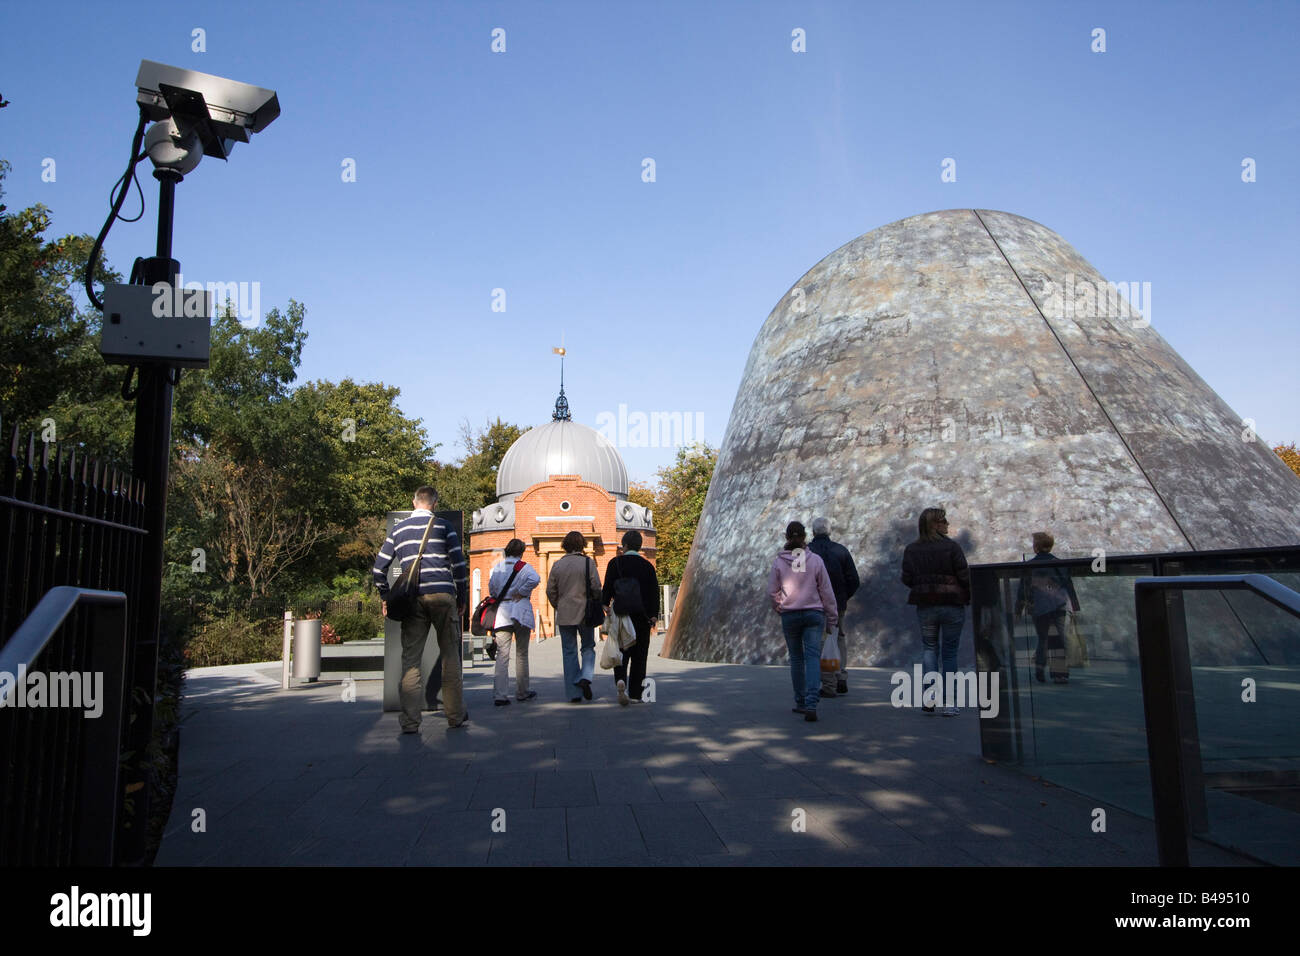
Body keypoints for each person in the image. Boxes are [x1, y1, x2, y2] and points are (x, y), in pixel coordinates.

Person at [373, 485, 469, 731]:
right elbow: (459, 565)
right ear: (434, 504)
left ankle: (410, 722)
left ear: (414, 502)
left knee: (411, 660)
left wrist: (385, 596)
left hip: (412, 598)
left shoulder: (399, 529)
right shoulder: (444, 527)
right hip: (442, 595)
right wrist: (462, 597)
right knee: (450, 657)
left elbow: (378, 570)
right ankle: (455, 716)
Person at [900, 507, 969, 717]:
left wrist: (921, 585)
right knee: (949, 653)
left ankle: (930, 698)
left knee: (930, 649)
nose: (948, 524)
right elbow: (964, 575)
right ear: (936, 524)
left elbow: (906, 577)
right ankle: (950, 702)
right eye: (944, 521)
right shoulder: (952, 548)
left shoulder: (912, 550)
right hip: (951, 604)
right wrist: (966, 594)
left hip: (926, 605)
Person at [768, 521, 838, 722]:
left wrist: (779, 606)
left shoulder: (779, 562)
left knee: (797, 659)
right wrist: (831, 618)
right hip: (814, 614)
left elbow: (771, 591)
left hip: (790, 614)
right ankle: (811, 702)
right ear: (805, 537)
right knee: (812, 658)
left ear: (786, 537)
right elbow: (826, 591)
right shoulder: (815, 560)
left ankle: (800, 700)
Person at [601, 530, 660, 706]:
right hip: (641, 616)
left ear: (624, 545)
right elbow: (653, 593)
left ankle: (620, 681)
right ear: (640, 546)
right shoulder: (647, 566)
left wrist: (605, 605)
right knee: (640, 656)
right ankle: (635, 693)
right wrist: (653, 615)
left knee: (621, 652)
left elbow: (607, 589)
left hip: (621, 615)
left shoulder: (615, 563)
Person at [1015, 531, 1081, 684]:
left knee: (1043, 638)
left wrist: (1019, 609)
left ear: (1036, 547)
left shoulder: (1030, 566)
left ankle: (1039, 667)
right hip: (1059, 605)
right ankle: (1060, 674)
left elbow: (1023, 589)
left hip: (1039, 606)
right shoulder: (1059, 563)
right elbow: (1068, 585)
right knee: (1058, 638)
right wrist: (1074, 606)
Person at [546, 531, 602, 702]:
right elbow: (597, 587)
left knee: (568, 651)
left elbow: (550, 591)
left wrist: (558, 605)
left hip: (564, 614)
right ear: (582, 545)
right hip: (585, 612)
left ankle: (573, 693)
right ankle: (585, 676)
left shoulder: (557, 565)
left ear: (565, 545)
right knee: (587, 647)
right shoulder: (588, 563)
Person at [807, 516, 860, 697]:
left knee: (820, 641)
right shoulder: (841, 551)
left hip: (814, 605)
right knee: (838, 638)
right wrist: (843, 597)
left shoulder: (806, 552)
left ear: (813, 532)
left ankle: (828, 683)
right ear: (829, 532)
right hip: (838, 604)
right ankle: (840, 676)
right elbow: (854, 579)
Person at [488, 538, 541, 705]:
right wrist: (521, 591)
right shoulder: (524, 567)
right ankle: (522, 691)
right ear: (521, 552)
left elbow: (492, 589)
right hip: (520, 611)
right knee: (521, 653)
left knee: (502, 655)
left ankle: (500, 695)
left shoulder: (498, 567)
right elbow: (535, 579)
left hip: (502, 613)